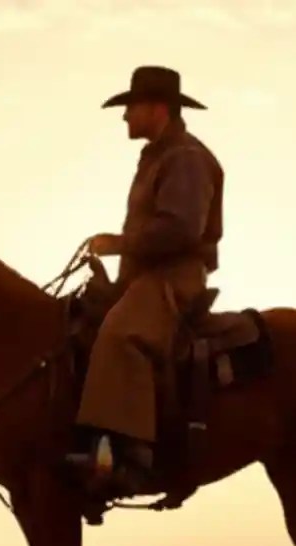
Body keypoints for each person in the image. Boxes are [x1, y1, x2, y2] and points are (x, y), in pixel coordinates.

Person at [72, 65, 224, 506]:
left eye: (131, 107)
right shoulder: (158, 157)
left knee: (120, 333)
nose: (124, 116)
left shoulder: (187, 158)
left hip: (174, 277)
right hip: (144, 277)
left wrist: (120, 244)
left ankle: (132, 454)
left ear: (158, 109)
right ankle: (92, 440)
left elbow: (181, 229)